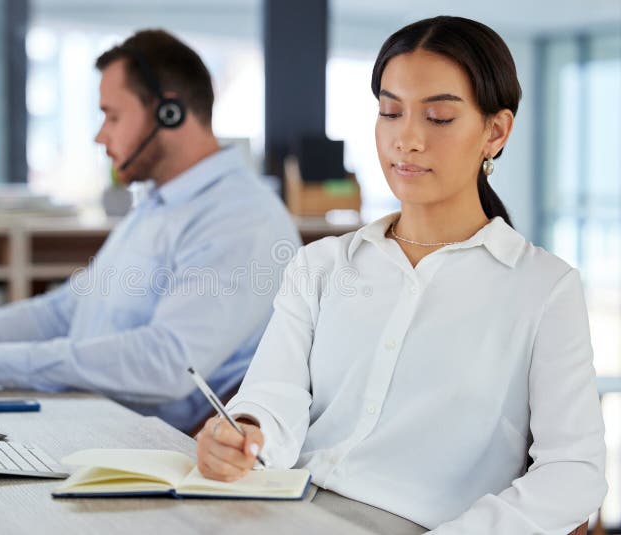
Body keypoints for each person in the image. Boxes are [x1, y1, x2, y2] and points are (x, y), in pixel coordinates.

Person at [195, 16, 607, 534]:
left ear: (495, 132)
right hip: (282, 511)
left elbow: (573, 472)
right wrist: (244, 432)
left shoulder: (543, 288)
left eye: (438, 117)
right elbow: (274, 394)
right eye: (390, 112)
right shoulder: (321, 265)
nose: (406, 139)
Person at [0, 29, 300, 434]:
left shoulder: (242, 220)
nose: (100, 135)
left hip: (149, 448)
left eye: (113, 116)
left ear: (169, 113)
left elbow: (169, 363)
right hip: (93, 420)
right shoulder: (159, 205)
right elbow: (66, 311)